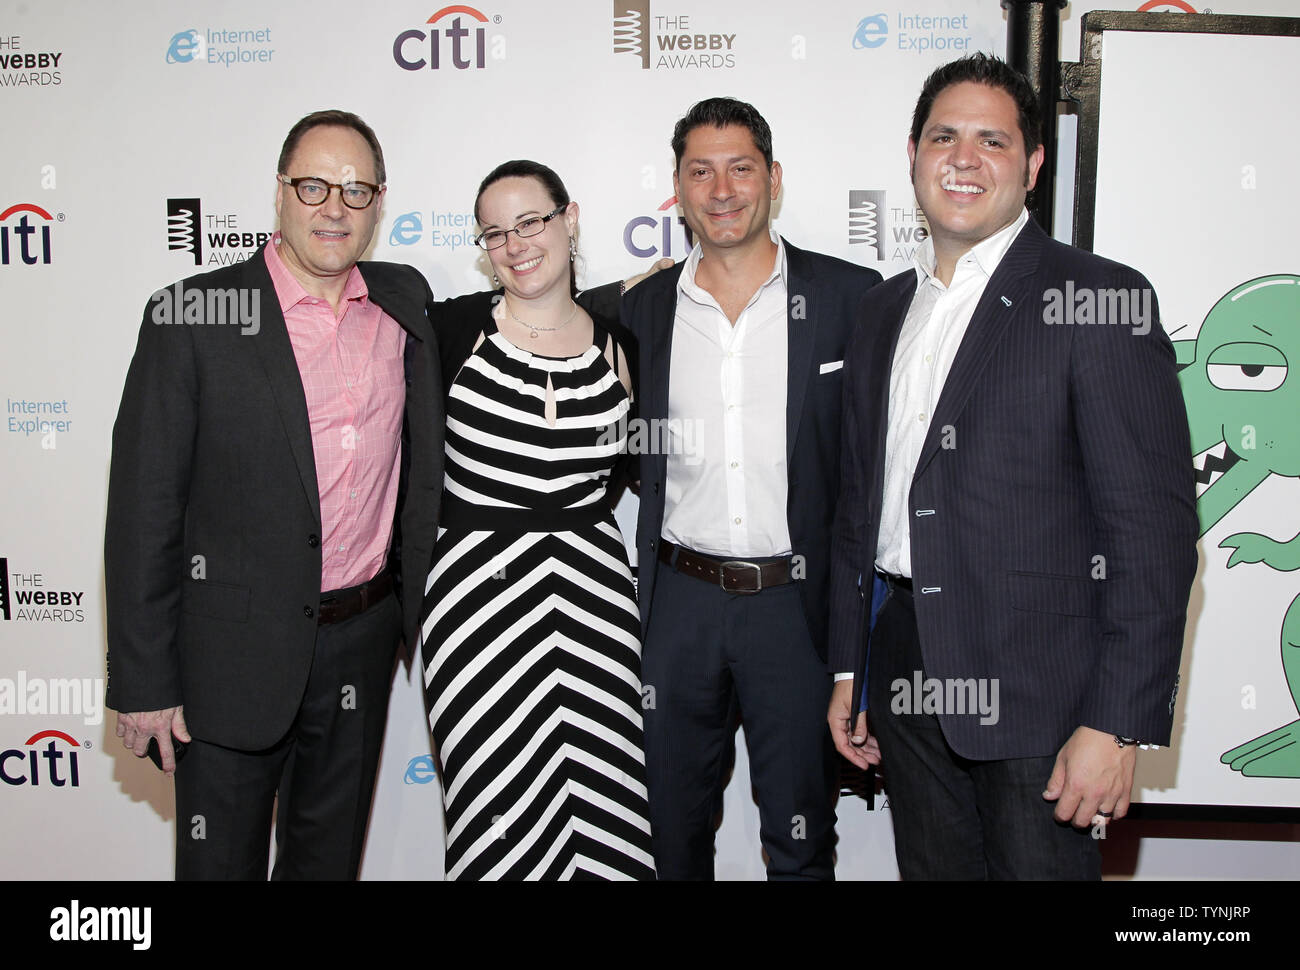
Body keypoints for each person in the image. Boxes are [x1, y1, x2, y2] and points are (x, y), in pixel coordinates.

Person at [828, 53, 1199, 879]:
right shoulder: (883, 309)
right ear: (913, 155)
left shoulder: (1100, 301)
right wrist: (853, 667)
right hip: (906, 670)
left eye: (992, 141)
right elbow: (862, 504)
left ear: (1032, 166)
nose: (964, 159)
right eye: (943, 137)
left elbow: (1153, 534)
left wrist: (1115, 724)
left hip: (1047, 697)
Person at [106, 110, 442, 880]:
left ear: (380, 202)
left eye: (355, 191)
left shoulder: (404, 302)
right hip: (226, 661)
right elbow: (143, 509)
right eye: (314, 185)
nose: (334, 207)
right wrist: (145, 681)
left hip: (360, 644)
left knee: (326, 868)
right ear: (281, 193)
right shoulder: (192, 315)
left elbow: (526, 306)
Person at [621, 98, 883, 880]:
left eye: (740, 167)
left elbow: (875, 470)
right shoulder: (641, 308)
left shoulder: (853, 299)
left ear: (773, 178)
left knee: (801, 839)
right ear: (677, 187)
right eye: (700, 170)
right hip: (679, 601)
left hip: (796, 608)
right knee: (668, 830)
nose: (722, 188)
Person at [419, 160, 654, 880]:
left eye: (531, 221)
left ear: (570, 218)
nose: (516, 243)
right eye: (496, 231)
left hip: (594, 600)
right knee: (495, 805)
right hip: (476, 605)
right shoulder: (449, 330)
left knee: (606, 798)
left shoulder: (622, 345)